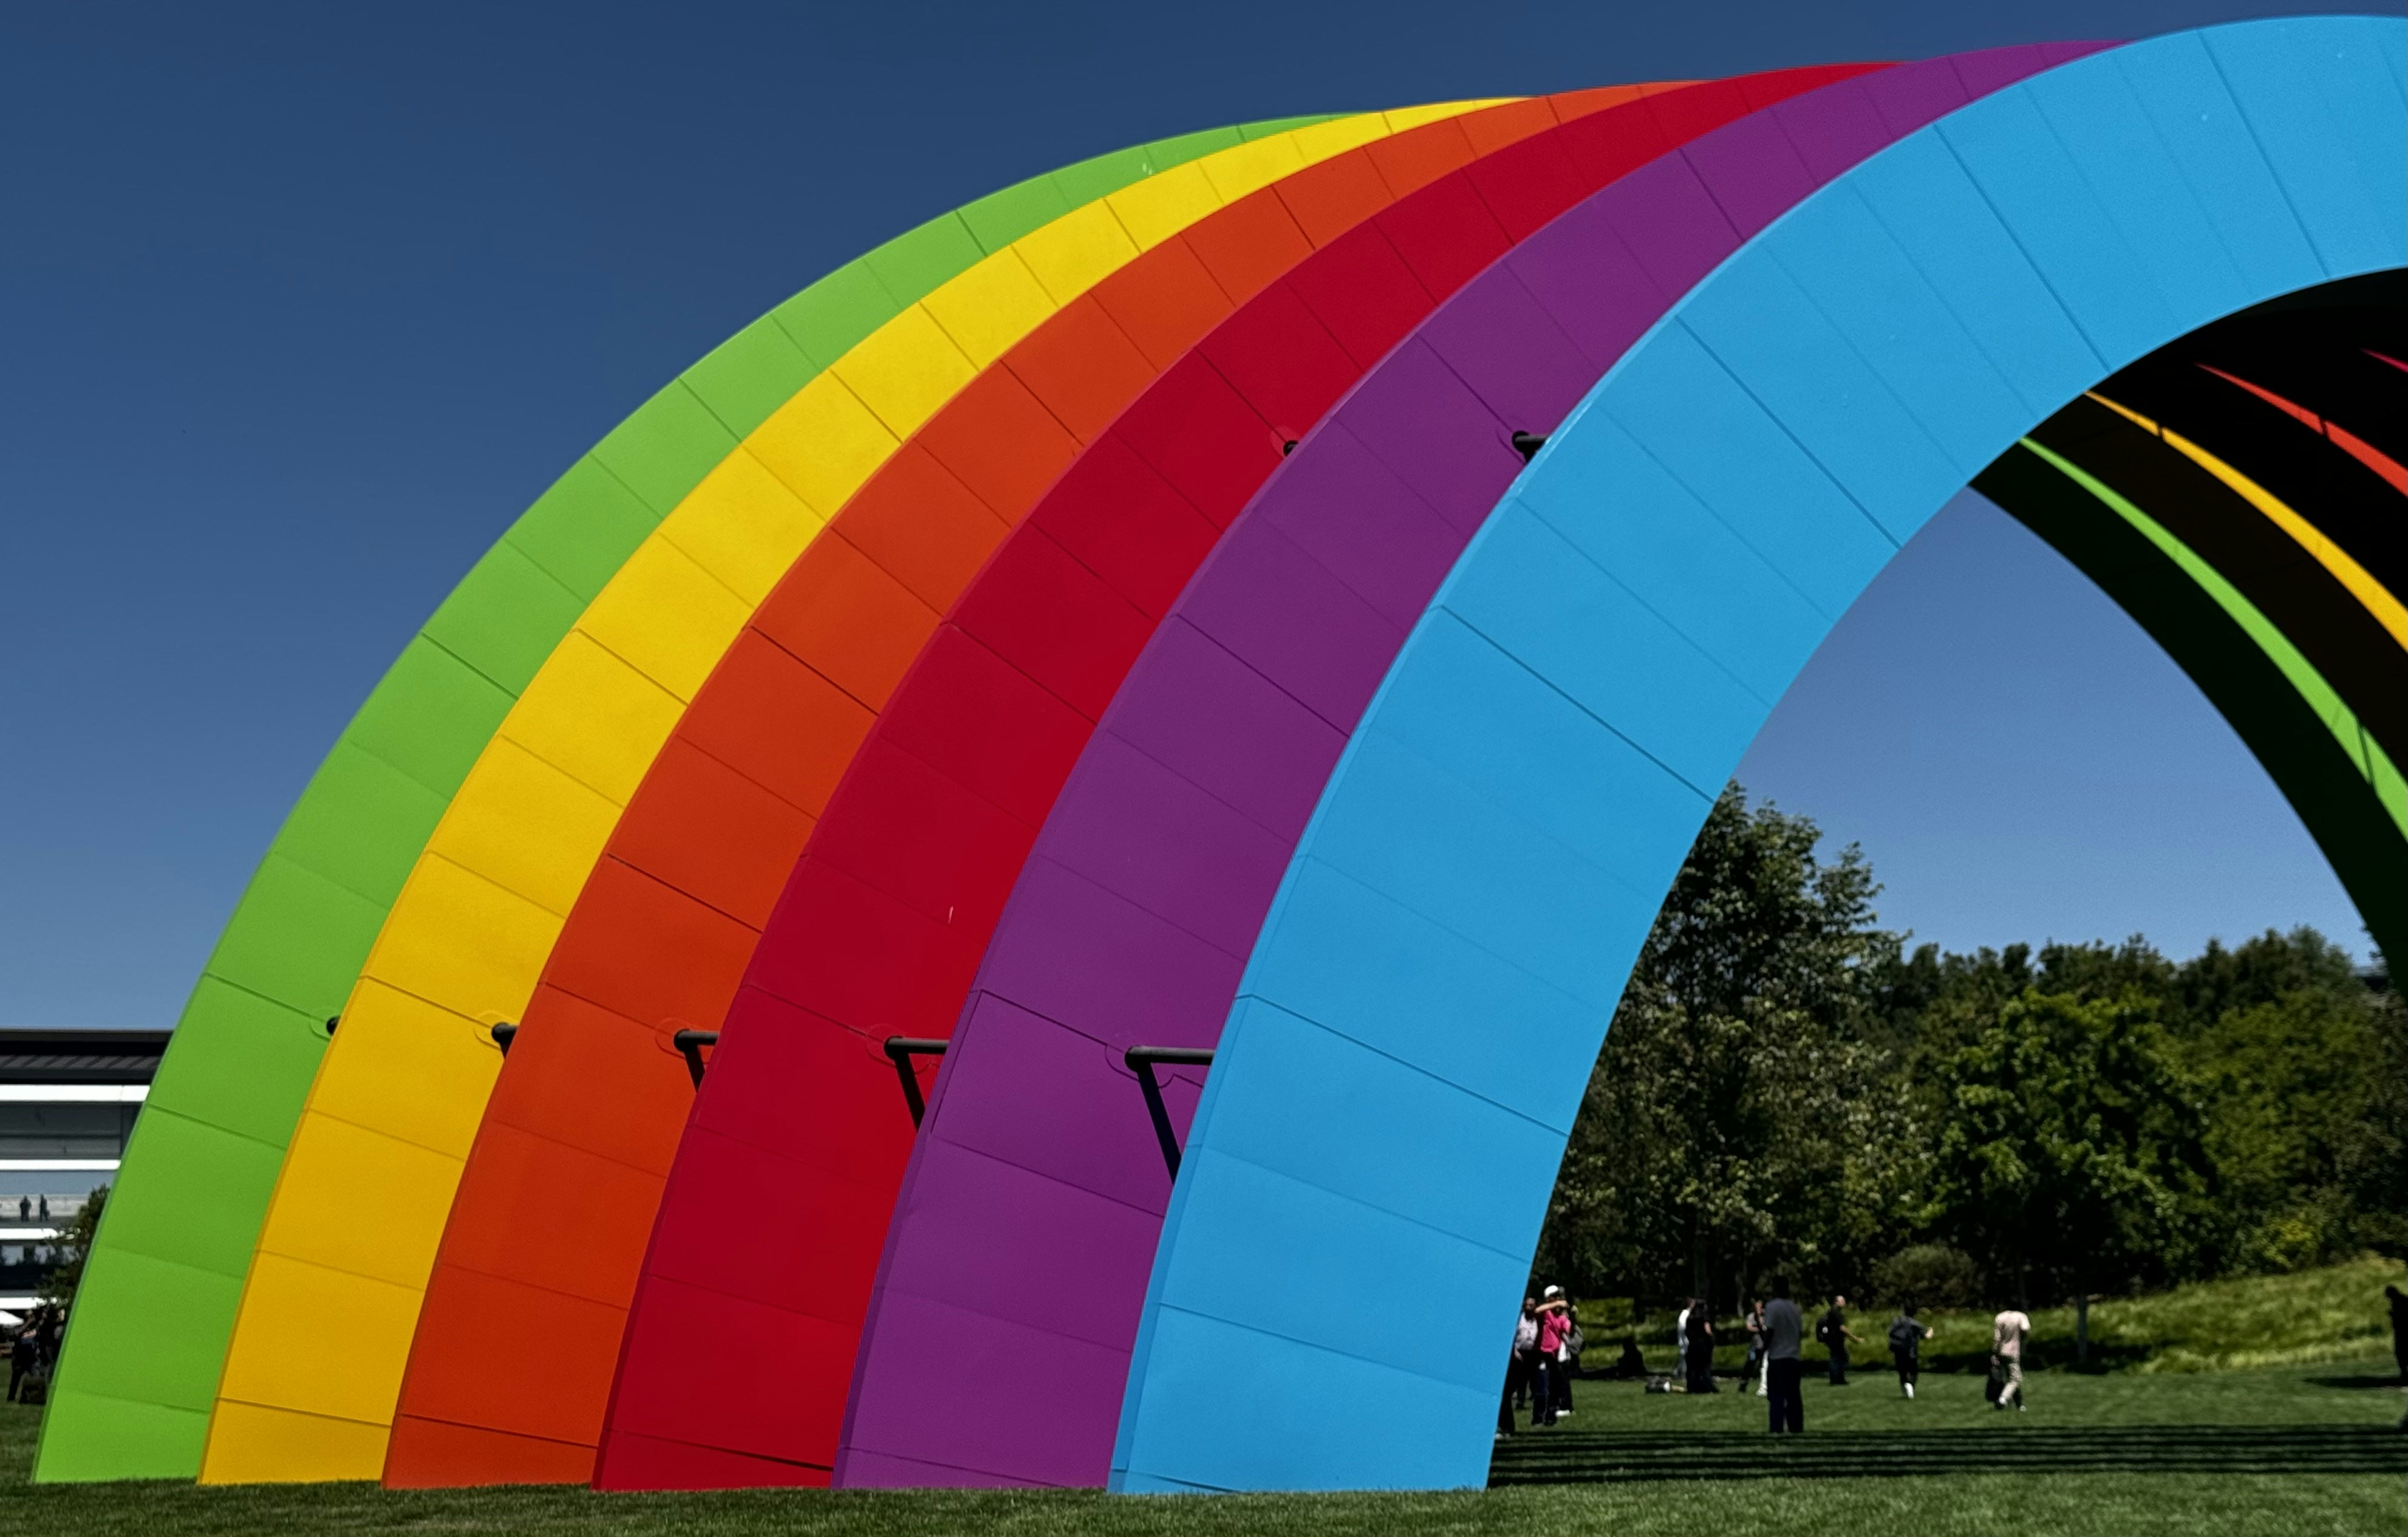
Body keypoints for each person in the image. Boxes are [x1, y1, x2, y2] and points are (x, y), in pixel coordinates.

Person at [1762, 1277, 1804, 1433]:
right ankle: (1796, 1426)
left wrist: (1764, 1349)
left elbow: (1770, 1331)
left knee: (1777, 1396)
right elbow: (1800, 1332)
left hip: (1778, 1357)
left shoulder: (1772, 1307)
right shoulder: (1795, 1308)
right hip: (1793, 1357)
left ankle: (1777, 1426)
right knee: (1794, 1396)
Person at [1500, 1298, 1539, 1438]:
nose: (1528, 1308)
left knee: (1505, 1395)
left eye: (1531, 1306)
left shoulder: (1535, 1319)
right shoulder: (1516, 1320)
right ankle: (1505, 1427)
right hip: (1516, 1355)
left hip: (1526, 1356)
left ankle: (1507, 1429)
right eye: (1526, 1305)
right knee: (1506, 1394)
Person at [1533, 1289, 1573, 1426]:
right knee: (1542, 1388)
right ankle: (1538, 1417)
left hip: (1554, 1355)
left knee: (1554, 1388)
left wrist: (1572, 1317)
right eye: (1554, 1297)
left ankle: (1550, 1417)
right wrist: (1556, 1303)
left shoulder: (1561, 1317)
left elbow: (1569, 1330)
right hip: (1543, 1352)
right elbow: (1538, 1310)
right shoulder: (1546, 1313)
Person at [1888, 1303, 1934, 1398]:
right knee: (1913, 1370)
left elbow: (1890, 1333)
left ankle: (1905, 1385)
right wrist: (1930, 1331)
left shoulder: (1896, 1321)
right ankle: (1910, 1385)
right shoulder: (1915, 1324)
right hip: (1910, 1350)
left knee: (1902, 1370)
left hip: (1897, 1349)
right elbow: (1926, 1337)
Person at [1991, 1305, 2031, 1411]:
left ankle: (2019, 1404)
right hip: (2013, 1351)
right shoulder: (2020, 1316)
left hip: (2001, 1351)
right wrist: (2022, 1337)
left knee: (2009, 1378)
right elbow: (2025, 1329)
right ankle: (2002, 1400)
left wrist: (1995, 1352)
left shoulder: (2000, 1317)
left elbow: (1997, 1338)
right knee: (2015, 1379)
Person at [1818, 1294, 1861, 1385]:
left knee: (1841, 1358)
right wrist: (1854, 1338)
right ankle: (1836, 1380)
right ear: (1836, 1302)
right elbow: (1842, 1328)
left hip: (1833, 1339)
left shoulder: (1833, 1312)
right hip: (1835, 1339)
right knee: (1837, 1359)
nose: (1844, 1303)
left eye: (1844, 1301)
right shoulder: (1836, 1312)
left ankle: (1839, 1379)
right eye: (1842, 1301)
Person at [1552, 1302, 1581, 1419]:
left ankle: (1566, 1407)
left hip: (1564, 1356)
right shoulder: (1562, 1321)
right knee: (1560, 1383)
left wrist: (1573, 1317)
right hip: (1560, 1355)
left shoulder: (1566, 1323)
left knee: (1564, 1383)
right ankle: (1562, 1405)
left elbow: (1570, 1332)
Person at [1685, 1299, 1717, 1394]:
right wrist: (1712, 1336)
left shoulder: (1689, 1318)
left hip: (1692, 1345)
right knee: (1705, 1367)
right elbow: (1707, 1330)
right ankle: (1707, 1386)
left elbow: (1687, 1332)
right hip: (1703, 1345)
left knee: (1693, 1367)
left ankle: (1692, 1387)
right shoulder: (1704, 1317)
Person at [1743, 1299, 1767, 1397]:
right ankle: (1743, 1384)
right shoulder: (1751, 1316)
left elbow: (1764, 1326)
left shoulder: (1767, 1316)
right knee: (1750, 1364)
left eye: (1760, 1307)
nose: (1759, 1309)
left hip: (1764, 1346)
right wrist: (1757, 1329)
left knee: (1764, 1366)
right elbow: (1749, 1327)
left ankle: (1764, 1386)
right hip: (1755, 1346)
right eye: (1757, 1307)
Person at [2386, 1284, 2407, 1387]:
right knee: (2401, 1353)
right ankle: (2404, 1374)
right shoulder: (2400, 1300)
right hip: (2400, 1330)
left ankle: (2404, 1374)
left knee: (2401, 1353)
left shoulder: (2400, 1301)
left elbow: (2402, 1316)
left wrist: (2393, 1315)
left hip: (2403, 1331)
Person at [1674, 1296, 1693, 1388]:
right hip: (1685, 1341)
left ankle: (1679, 1373)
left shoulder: (1687, 1314)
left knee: (1683, 1359)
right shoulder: (1685, 1314)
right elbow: (1683, 1327)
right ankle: (1680, 1374)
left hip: (1686, 1341)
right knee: (1684, 1359)